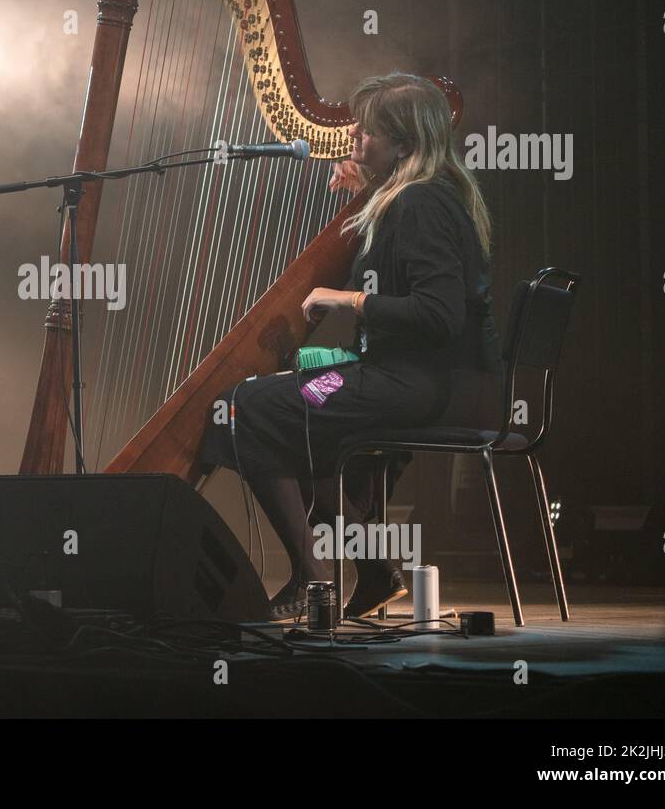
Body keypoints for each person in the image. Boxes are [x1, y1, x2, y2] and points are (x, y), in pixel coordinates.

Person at [199, 73, 502, 621]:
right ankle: (374, 568)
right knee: (279, 409)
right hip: (413, 379)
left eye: (369, 132)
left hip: (417, 387)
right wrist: (367, 185)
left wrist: (349, 300)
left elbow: (439, 313)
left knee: (246, 408)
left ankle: (314, 577)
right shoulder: (417, 195)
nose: (354, 134)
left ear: (405, 144)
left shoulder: (419, 205)